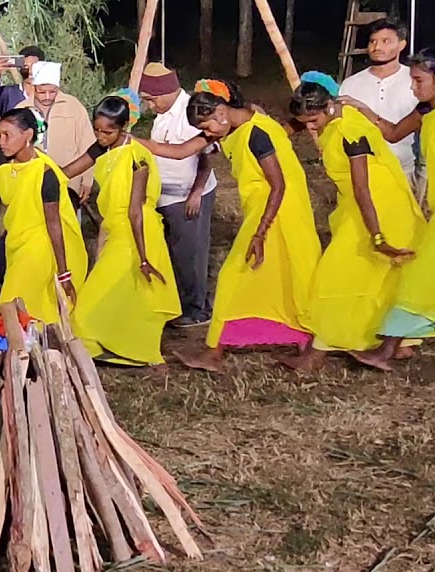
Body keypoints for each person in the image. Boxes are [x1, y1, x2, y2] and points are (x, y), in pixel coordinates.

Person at [137, 81, 322, 372]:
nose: (208, 135)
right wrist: (129, 141)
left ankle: (218, 352)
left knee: (250, 276)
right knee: (282, 277)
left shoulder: (256, 134)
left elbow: (279, 184)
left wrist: (261, 232)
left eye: (209, 127)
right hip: (264, 212)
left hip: (278, 213)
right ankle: (301, 345)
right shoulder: (232, 127)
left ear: (222, 111)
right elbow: (178, 151)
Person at [278, 74, 423, 372]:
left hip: (378, 208)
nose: (311, 127)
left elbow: (362, 188)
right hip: (360, 207)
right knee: (374, 274)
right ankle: (398, 345)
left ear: (329, 107)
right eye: (306, 122)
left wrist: (377, 236)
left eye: (313, 119)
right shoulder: (339, 120)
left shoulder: (351, 132)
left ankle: (316, 354)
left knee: (335, 275)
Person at [59, 92, 179, 365]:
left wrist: (145, 256)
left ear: (123, 127)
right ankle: (110, 345)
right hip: (115, 228)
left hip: (137, 233)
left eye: (107, 131)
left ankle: (137, 351)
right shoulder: (102, 147)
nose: (100, 136)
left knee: (124, 296)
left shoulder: (138, 158)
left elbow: (135, 210)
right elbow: (66, 171)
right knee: (116, 293)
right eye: (97, 129)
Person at [350, 50, 435, 370]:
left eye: (419, 80)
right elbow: (393, 132)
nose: (413, 88)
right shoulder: (426, 112)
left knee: (415, 281)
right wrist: (363, 110)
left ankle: (386, 351)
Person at [0, 108, 86, 324]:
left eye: (7, 135)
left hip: (40, 248)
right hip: (16, 242)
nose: (1, 141)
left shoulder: (46, 175)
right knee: (25, 309)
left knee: (12, 302)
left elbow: (54, 225)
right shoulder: (1, 157)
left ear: (28, 135)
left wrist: (64, 273)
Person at [139, 62, 218, 328]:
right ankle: (178, 304)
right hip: (164, 194)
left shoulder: (192, 112)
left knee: (191, 253)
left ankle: (198, 310)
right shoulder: (163, 113)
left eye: (151, 101)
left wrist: (196, 192)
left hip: (189, 194)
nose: (150, 107)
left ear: (162, 94)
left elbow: (205, 158)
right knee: (175, 251)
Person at [338, 19, 422, 188]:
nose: (377, 47)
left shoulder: (416, 82)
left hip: (406, 172)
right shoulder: (350, 84)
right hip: (363, 175)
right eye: (373, 41)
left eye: (386, 41)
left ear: (402, 45)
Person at [14, 61, 97, 214]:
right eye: (41, 92)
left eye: (52, 92)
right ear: (33, 87)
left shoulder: (74, 107)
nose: (47, 97)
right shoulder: (20, 110)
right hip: (32, 186)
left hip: (69, 184)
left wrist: (87, 180)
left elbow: (88, 145)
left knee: (69, 231)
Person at [0, 45, 45, 116]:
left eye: (34, 66)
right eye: (25, 66)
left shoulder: (49, 95)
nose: (30, 71)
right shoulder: (8, 94)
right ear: (19, 68)